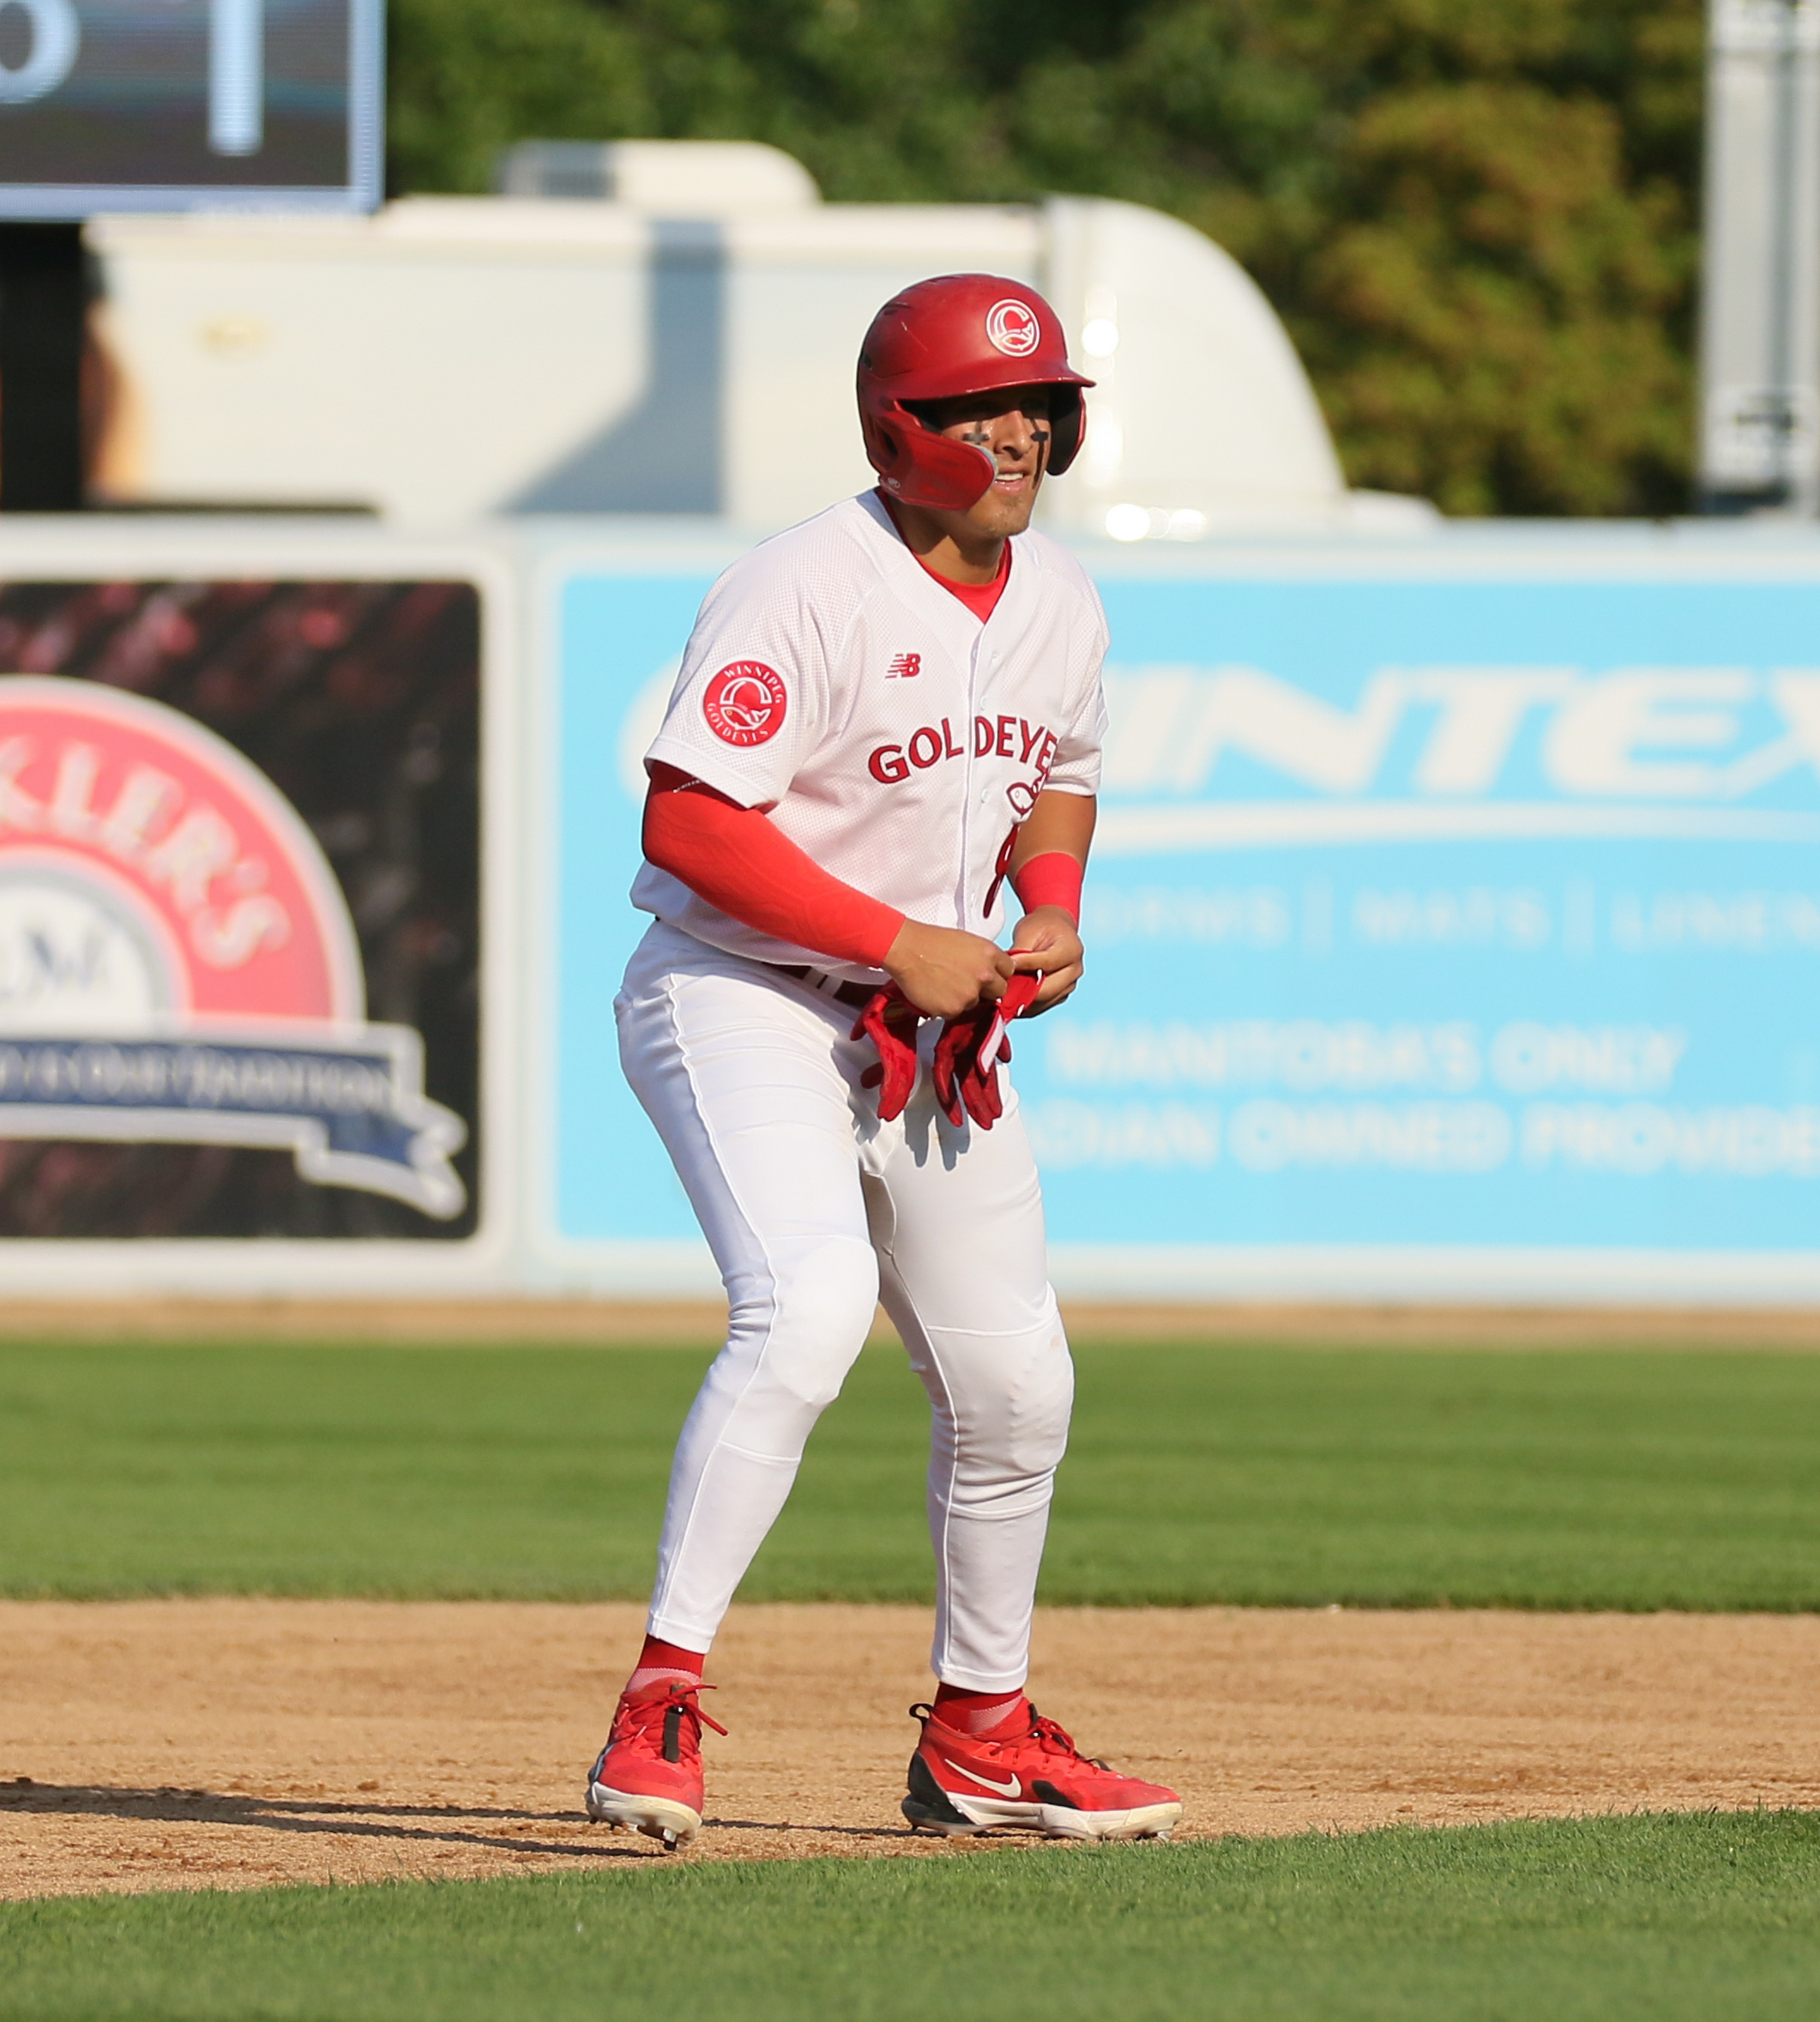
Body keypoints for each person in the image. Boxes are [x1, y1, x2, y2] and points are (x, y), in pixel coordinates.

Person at [582, 274, 1182, 1850]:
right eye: (979, 408)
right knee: (808, 1312)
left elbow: (1061, 775)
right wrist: (895, 936)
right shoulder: (804, 582)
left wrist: (1049, 911)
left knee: (1015, 1381)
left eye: (1038, 406)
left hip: (929, 1030)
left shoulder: (1061, 600)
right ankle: (660, 1697)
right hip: (739, 991)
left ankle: (983, 1735)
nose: (1017, 436)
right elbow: (689, 820)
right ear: (894, 424)